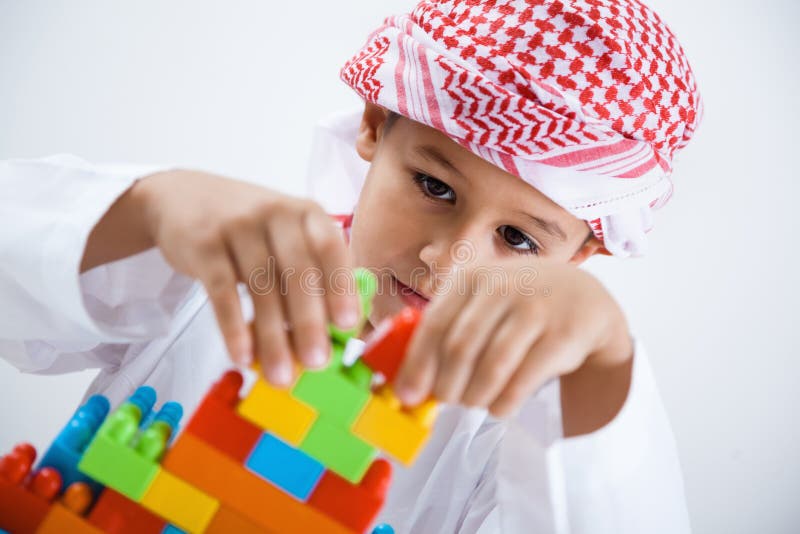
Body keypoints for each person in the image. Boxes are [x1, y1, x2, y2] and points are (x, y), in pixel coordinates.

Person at [0, 0, 702, 532]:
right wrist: (146, 208)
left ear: (581, 256)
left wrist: (602, 368)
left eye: (517, 240)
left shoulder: (515, 431)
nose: (448, 261)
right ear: (372, 124)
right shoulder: (219, 275)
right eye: (435, 187)